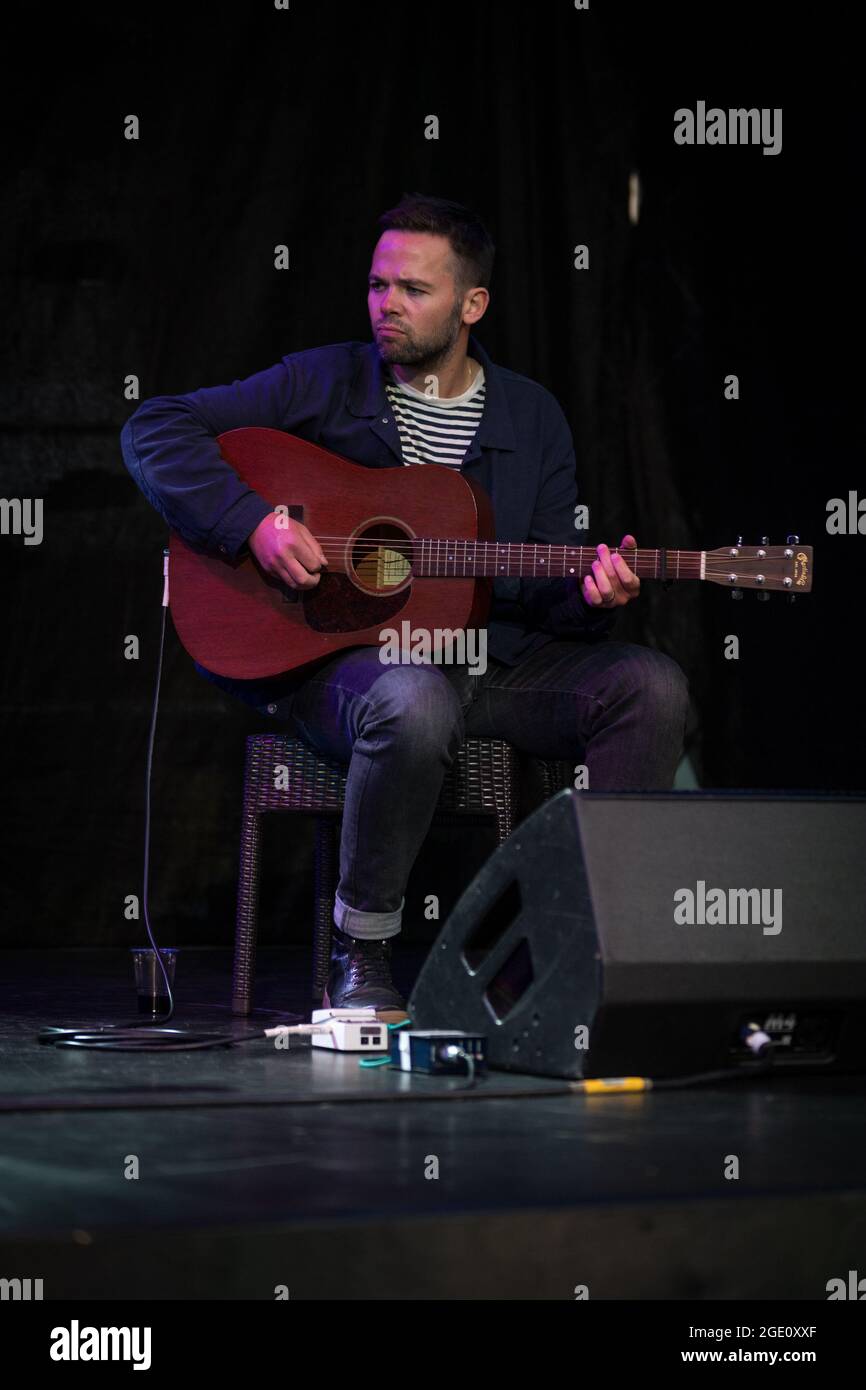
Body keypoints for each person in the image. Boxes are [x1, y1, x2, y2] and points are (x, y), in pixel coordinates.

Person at [121, 193, 689, 1016]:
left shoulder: (532, 418)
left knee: (651, 685)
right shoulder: (324, 381)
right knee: (414, 695)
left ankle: (590, 949)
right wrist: (253, 526)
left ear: (472, 304)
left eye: (413, 290)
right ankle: (365, 952)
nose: (387, 304)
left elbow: (548, 597)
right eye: (378, 284)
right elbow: (156, 427)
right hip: (344, 670)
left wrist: (594, 597)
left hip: (492, 665)